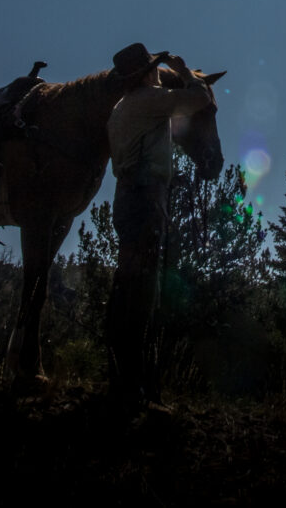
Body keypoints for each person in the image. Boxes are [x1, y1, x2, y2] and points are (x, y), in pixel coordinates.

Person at [103, 43, 212, 413]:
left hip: (126, 197)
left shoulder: (120, 108)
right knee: (143, 294)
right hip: (146, 200)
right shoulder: (148, 99)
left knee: (127, 286)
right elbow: (198, 100)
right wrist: (185, 72)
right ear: (147, 73)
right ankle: (136, 390)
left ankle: (122, 381)